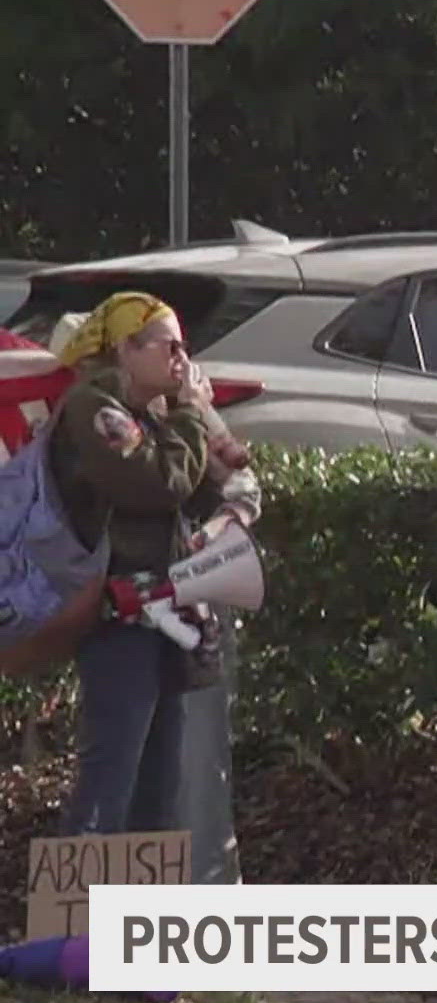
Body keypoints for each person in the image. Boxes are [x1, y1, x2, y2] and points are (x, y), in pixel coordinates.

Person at [45, 292, 259, 839]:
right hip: (118, 618)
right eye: (169, 346)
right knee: (109, 779)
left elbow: (227, 474)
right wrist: (188, 413)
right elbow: (156, 485)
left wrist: (197, 418)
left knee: (159, 786)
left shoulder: (159, 409)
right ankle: (77, 920)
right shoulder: (96, 408)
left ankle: (140, 917)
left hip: (170, 611)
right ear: (125, 349)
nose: (182, 359)